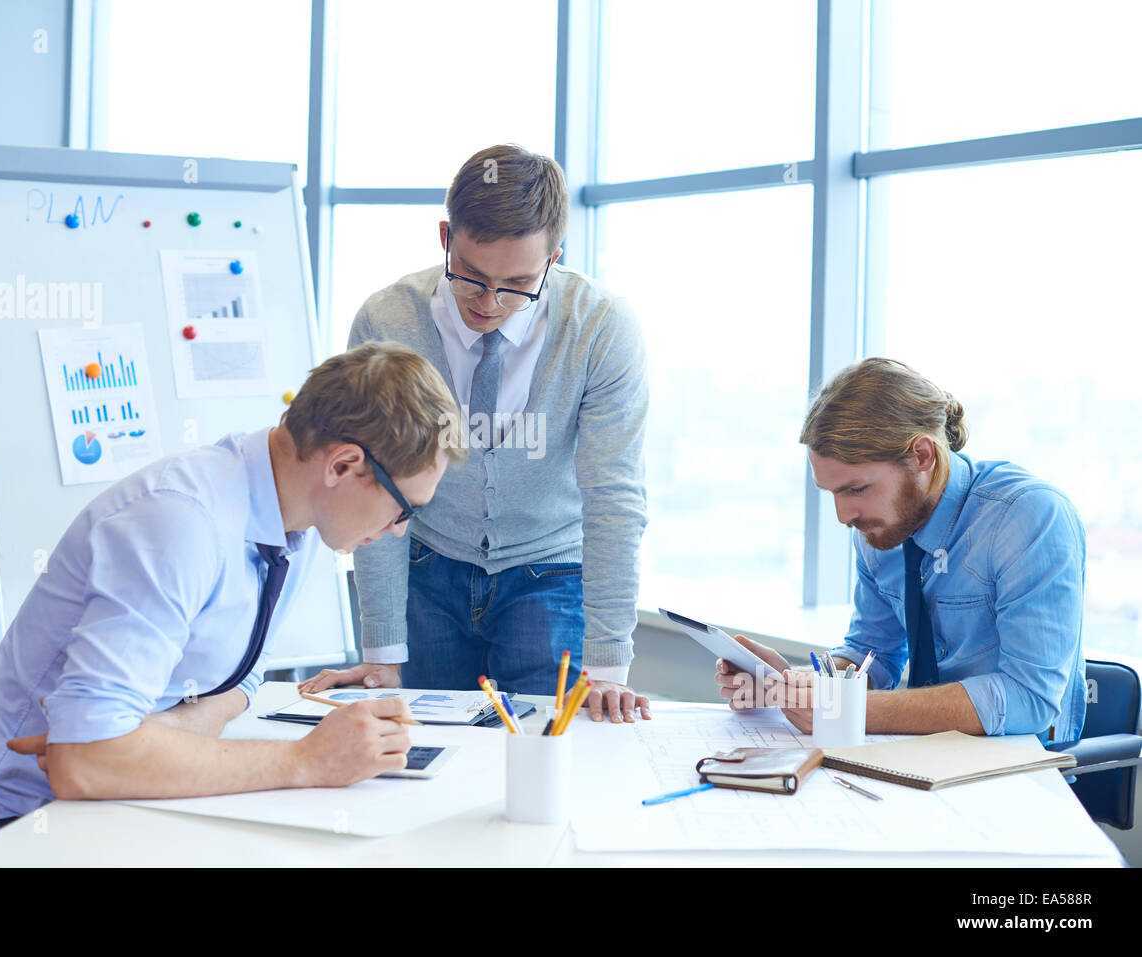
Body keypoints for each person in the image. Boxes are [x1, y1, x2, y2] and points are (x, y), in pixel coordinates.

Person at [0, 342, 463, 829]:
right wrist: (308, 760)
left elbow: (237, 686)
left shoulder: (293, 525)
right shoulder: (180, 522)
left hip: (114, 809)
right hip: (4, 826)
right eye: (404, 509)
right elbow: (84, 763)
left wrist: (140, 742)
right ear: (343, 465)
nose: (398, 531)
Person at [301, 144, 651, 722]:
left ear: (554, 258)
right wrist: (383, 650)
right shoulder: (387, 321)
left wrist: (608, 664)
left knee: (545, 749)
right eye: (471, 277)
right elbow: (375, 485)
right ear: (445, 238)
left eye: (517, 284)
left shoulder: (601, 328)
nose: (489, 303)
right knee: (424, 746)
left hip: (552, 572)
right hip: (426, 566)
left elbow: (614, 495)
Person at [715, 357, 1087, 745]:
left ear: (922, 456)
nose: (844, 516)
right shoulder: (880, 529)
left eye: (856, 489)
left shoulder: (1028, 518)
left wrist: (848, 710)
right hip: (920, 759)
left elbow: (1031, 699)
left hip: (1021, 776)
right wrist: (792, 685)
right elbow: (873, 656)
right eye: (833, 493)